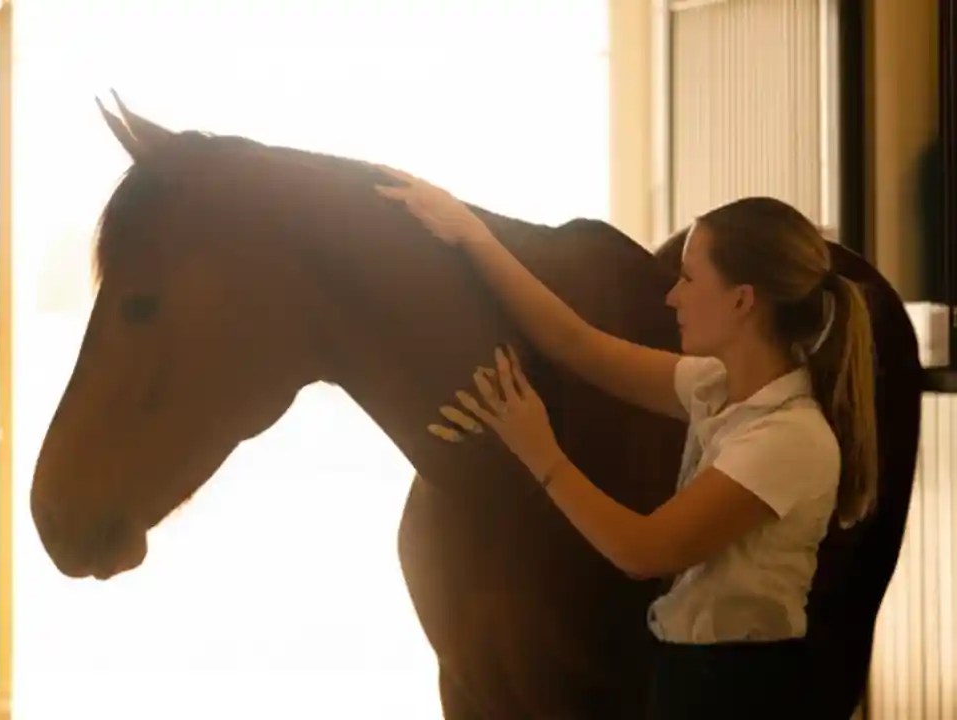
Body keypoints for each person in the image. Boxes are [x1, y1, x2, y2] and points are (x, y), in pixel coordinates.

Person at [375, 168, 878, 718]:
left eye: (689, 278)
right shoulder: (712, 387)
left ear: (741, 302)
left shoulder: (787, 438)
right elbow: (574, 343)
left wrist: (538, 449)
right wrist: (473, 233)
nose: (672, 297)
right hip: (695, 673)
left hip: (741, 690)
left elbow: (643, 551)